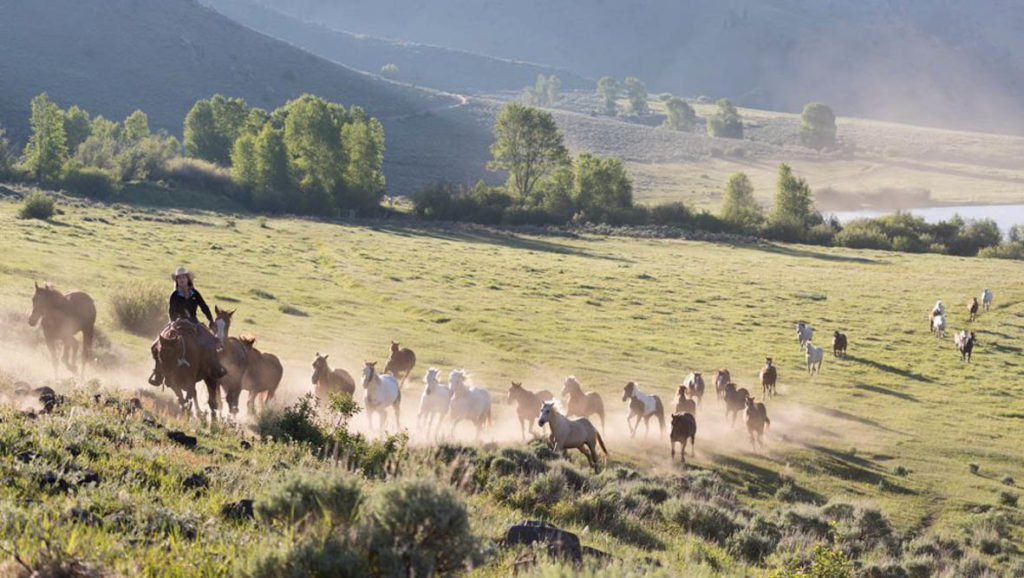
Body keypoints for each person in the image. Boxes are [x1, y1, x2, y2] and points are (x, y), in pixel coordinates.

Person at [148, 267, 227, 386]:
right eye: (179, 278)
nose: (181, 280)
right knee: (156, 345)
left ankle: (217, 368)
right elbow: (171, 311)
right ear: (176, 281)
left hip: (193, 321)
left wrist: (210, 320)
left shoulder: (195, 293)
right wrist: (173, 322)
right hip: (177, 322)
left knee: (210, 341)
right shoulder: (174, 295)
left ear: (188, 279)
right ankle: (158, 373)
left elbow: (204, 307)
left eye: (184, 278)